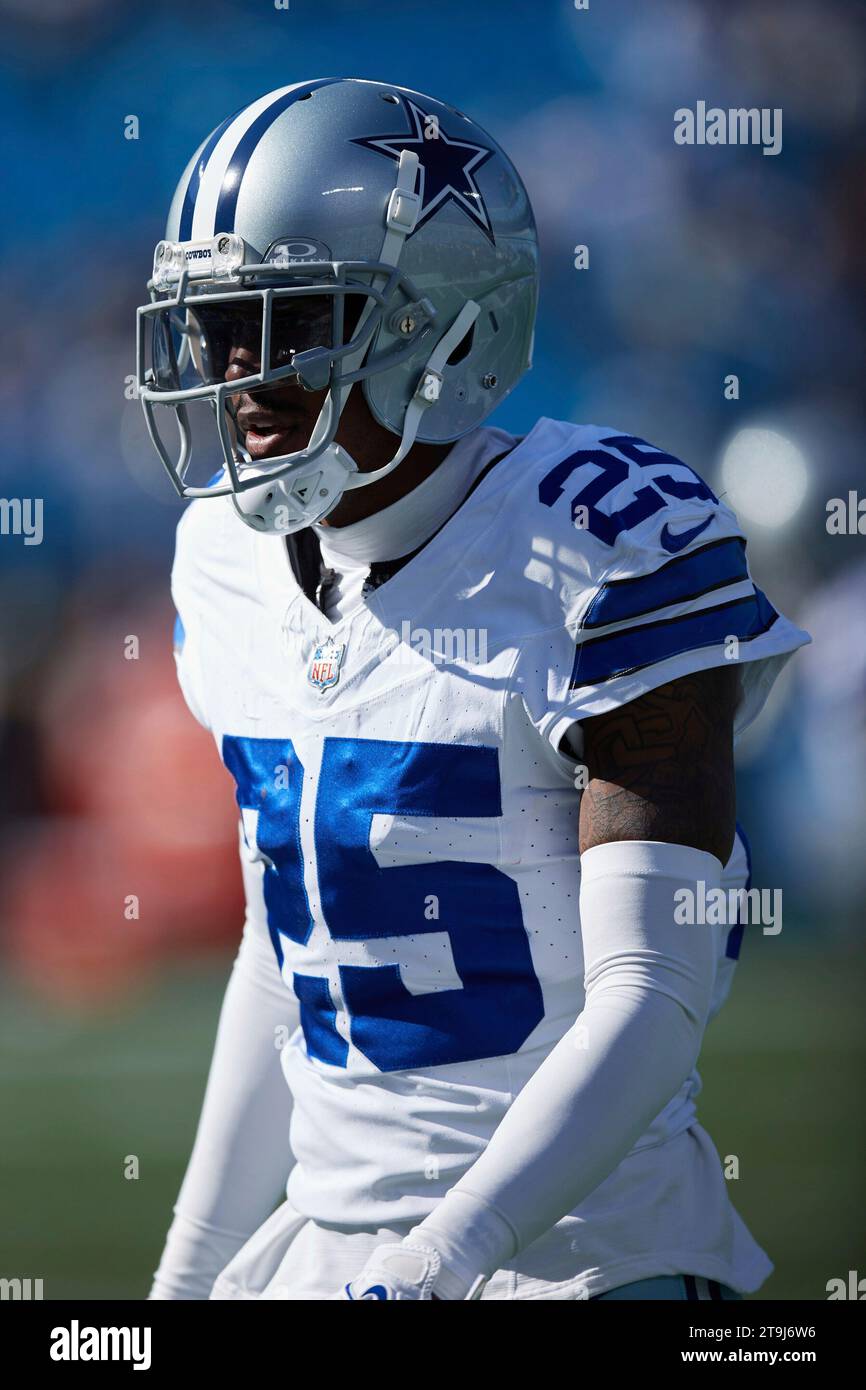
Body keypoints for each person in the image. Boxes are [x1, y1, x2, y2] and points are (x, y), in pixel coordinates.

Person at [138, 78, 810, 1300]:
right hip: (329, 1253)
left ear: (439, 329)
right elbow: (280, 964)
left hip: (585, 1260)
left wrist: (444, 1260)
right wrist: (186, 1276)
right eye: (216, 325)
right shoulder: (224, 559)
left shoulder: (596, 544)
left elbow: (651, 993)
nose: (236, 374)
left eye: (290, 321)